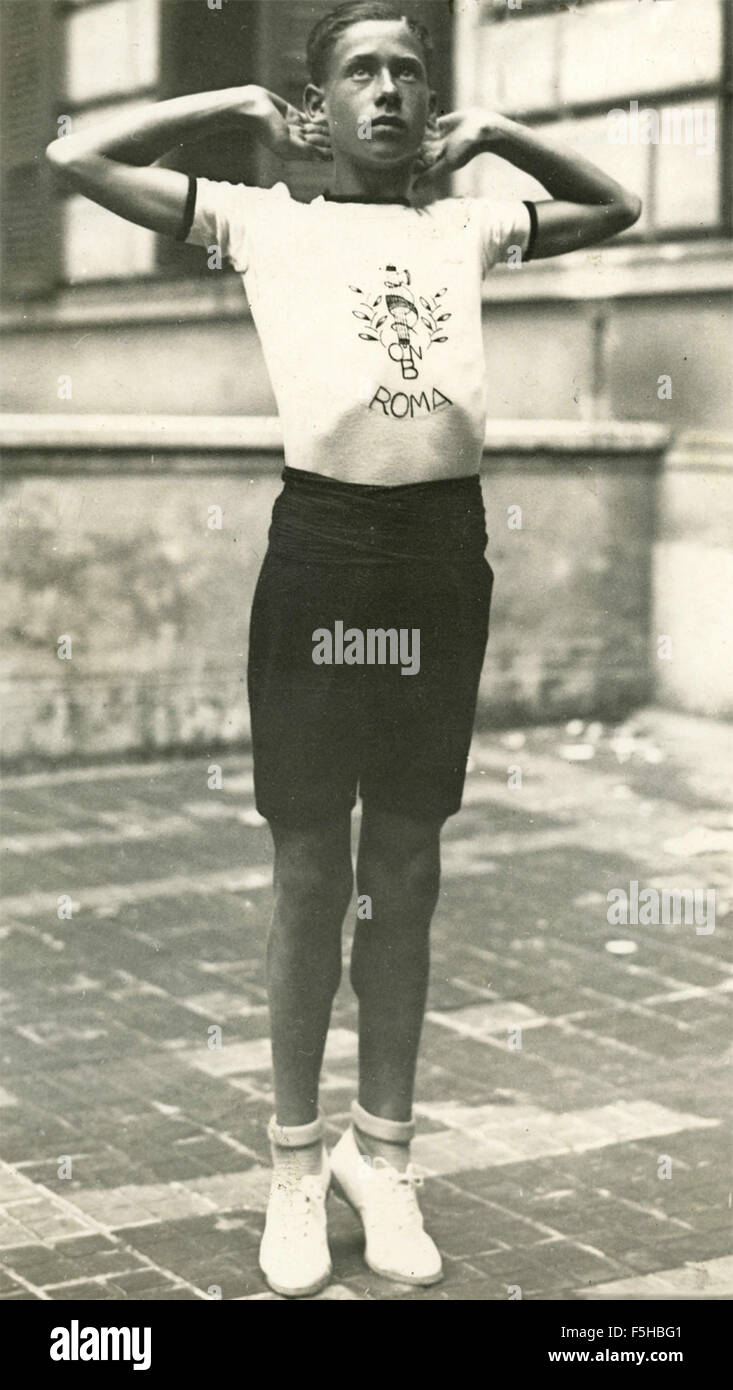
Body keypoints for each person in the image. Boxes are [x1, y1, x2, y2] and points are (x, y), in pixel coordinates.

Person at [46, 0, 641, 1298]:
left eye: (409, 73)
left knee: (408, 863)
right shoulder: (265, 221)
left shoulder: (462, 226)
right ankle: (293, 1163)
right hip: (323, 551)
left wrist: (500, 130)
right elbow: (74, 157)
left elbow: (619, 205)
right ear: (318, 106)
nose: (390, 92)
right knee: (312, 866)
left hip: (439, 554)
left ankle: (386, 1154)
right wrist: (232, 109)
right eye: (361, 73)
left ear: (429, 102)